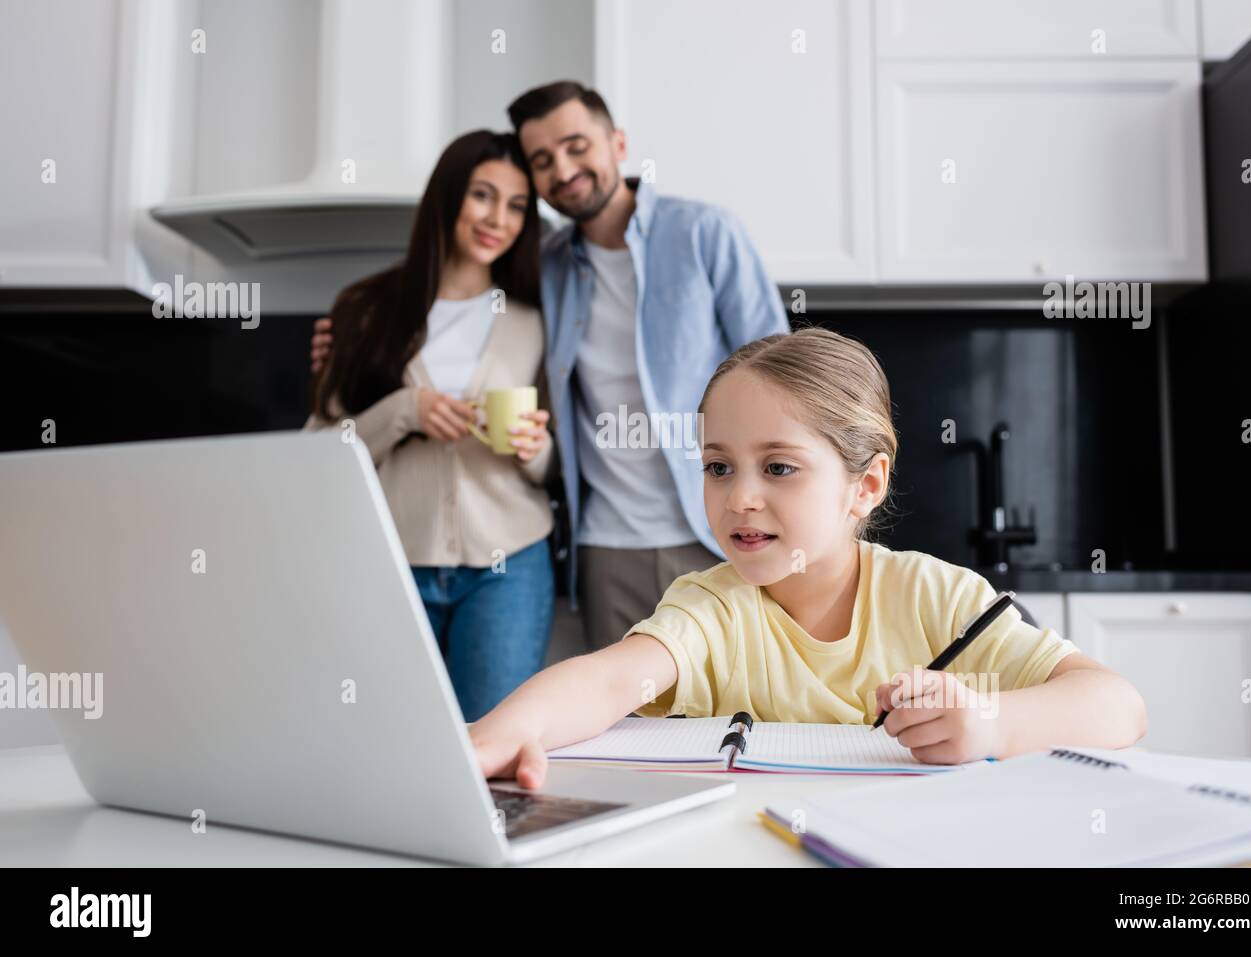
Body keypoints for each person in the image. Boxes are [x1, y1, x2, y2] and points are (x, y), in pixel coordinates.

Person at [468, 328, 1148, 786]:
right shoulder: (712, 605)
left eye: (779, 467)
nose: (740, 499)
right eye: (719, 467)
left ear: (866, 485)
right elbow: (608, 682)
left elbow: (1118, 706)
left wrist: (990, 722)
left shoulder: (934, 596)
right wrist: (496, 735)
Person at [315, 81, 791, 651]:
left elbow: (782, 373)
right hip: (602, 544)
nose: (563, 169)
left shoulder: (702, 233)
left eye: (576, 146)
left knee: (739, 714)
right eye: (543, 161)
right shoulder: (547, 267)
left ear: (616, 143)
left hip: (717, 528)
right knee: (628, 732)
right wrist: (354, 343)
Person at [306, 130, 556, 722]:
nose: (500, 218)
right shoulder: (365, 310)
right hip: (391, 565)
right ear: (446, 197)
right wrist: (404, 412)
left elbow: (557, 464)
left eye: (518, 205)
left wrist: (535, 448)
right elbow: (317, 452)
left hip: (509, 569)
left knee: (487, 749)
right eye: (483, 196)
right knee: (389, 738)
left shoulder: (534, 319)